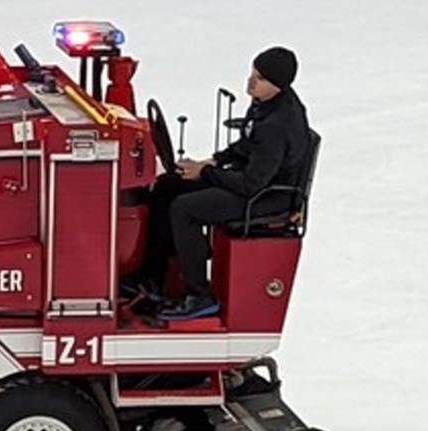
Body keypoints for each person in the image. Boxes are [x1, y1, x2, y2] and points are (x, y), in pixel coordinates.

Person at [130, 46, 311, 320]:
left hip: (265, 196)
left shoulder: (277, 124)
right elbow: (246, 146)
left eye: (259, 78)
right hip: (252, 181)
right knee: (168, 186)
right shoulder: (265, 102)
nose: (251, 81)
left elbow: (251, 184)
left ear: (277, 85)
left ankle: (199, 295)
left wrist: (205, 174)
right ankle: (154, 276)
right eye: (253, 72)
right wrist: (211, 161)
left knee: (185, 208)